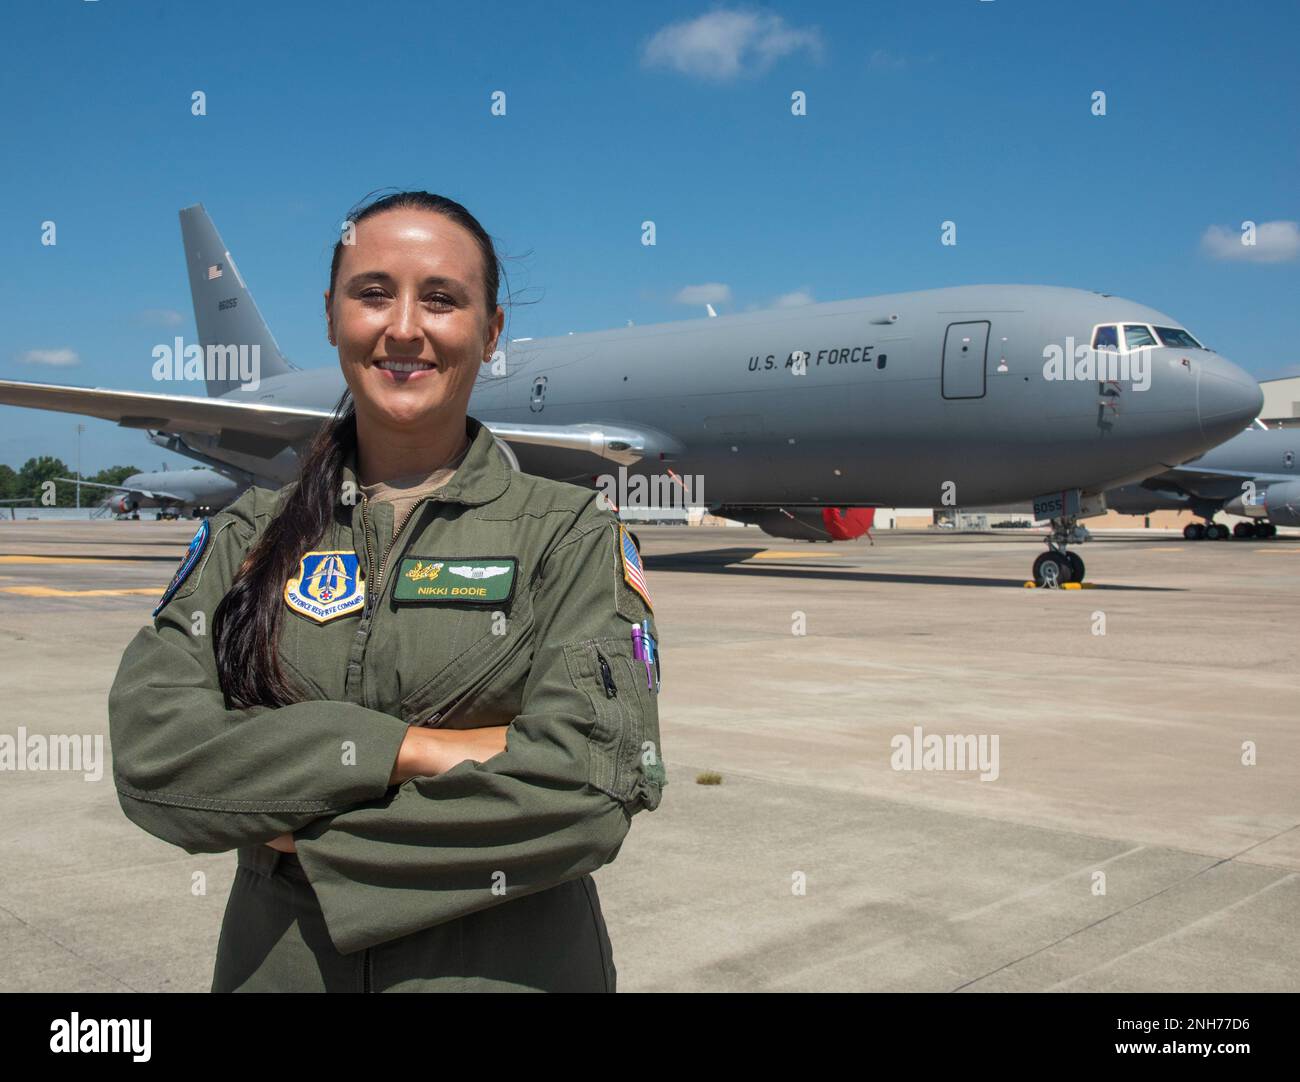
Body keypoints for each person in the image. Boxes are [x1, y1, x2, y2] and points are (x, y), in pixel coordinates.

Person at [107, 190, 666, 992]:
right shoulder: (247, 535)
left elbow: (591, 785)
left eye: (442, 299)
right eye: (373, 293)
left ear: (492, 331)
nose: (405, 326)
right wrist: (417, 751)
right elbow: (155, 757)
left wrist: (291, 817)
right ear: (332, 318)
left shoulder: (572, 534)